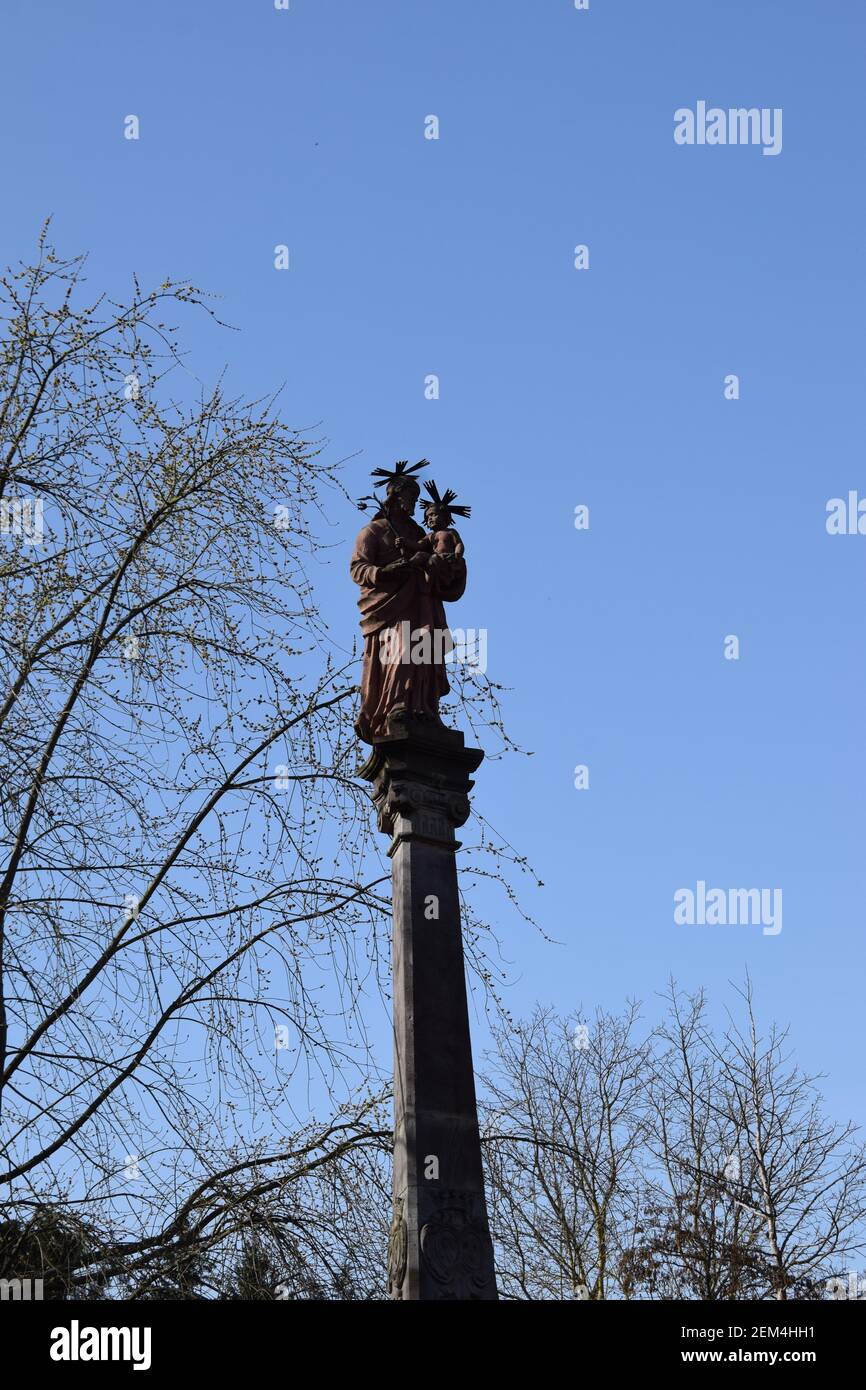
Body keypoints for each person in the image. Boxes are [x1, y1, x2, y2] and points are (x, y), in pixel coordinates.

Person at [350, 461, 466, 742]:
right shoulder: (373, 531)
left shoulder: (418, 534)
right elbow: (358, 568)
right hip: (390, 607)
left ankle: (425, 710)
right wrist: (385, 571)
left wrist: (444, 563)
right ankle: (397, 707)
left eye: (416, 500)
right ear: (394, 497)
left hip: (422, 603)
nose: (414, 506)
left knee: (425, 654)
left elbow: (440, 562)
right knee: (401, 652)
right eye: (410, 499)